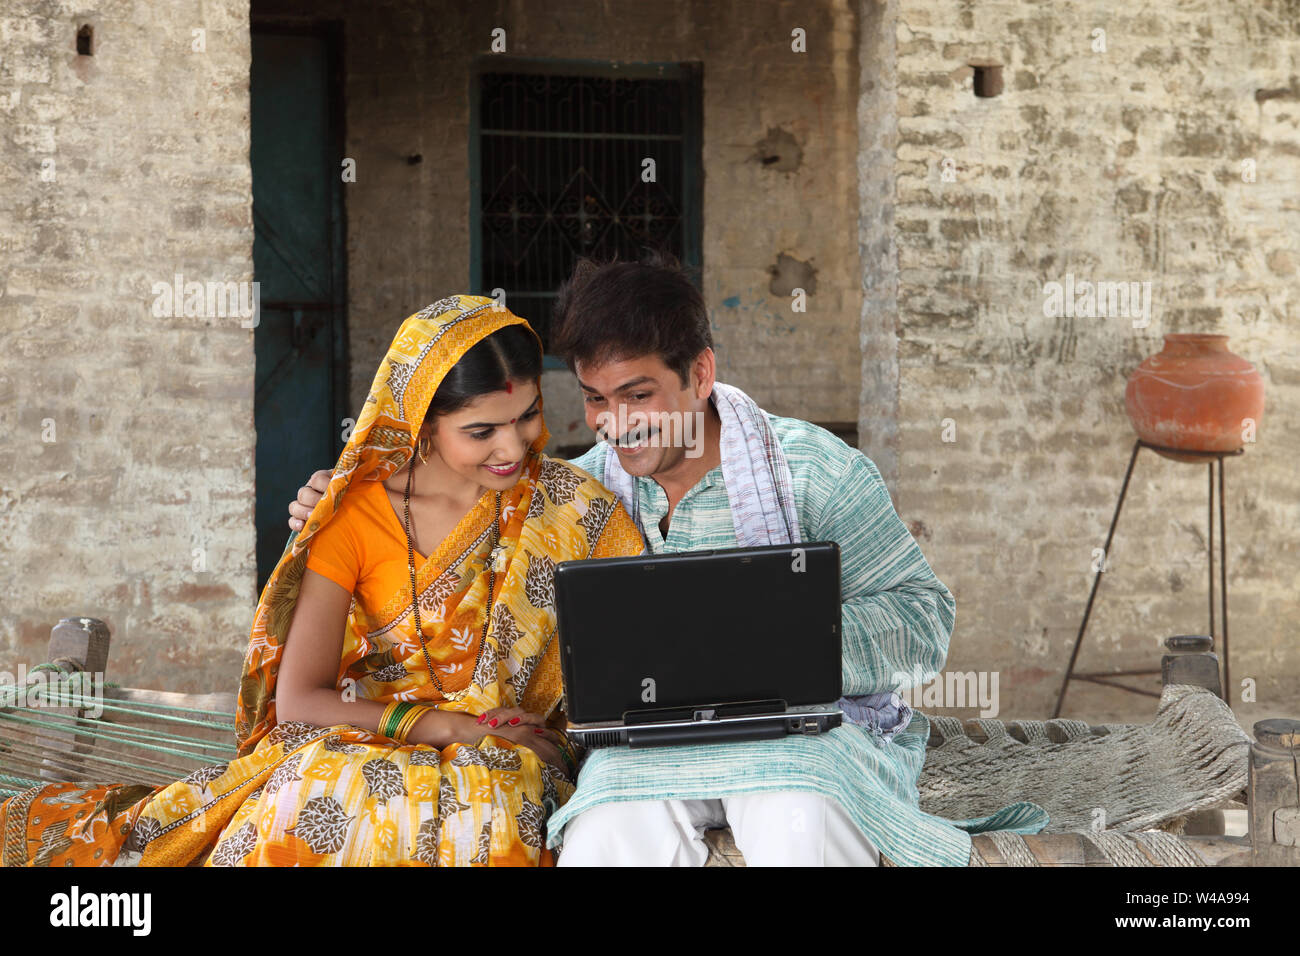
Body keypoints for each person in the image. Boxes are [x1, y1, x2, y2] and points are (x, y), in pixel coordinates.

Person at [288, 255, 1051, 867]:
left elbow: (924, 617)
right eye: (592, 398)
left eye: (638, 393)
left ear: (702, 374)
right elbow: (441, 505)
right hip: (646, 749)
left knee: (799, 823)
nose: (613, 423)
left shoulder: (815, 473)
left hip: (804, 739)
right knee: (603, 838)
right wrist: (337, 496)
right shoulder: (577, 500)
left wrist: (786, 647)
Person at [0, 295, 643, 866]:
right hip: (368, 740)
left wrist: (520, 735)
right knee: (318, 797)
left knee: (491, 809)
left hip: (511, 755)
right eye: (481, 431)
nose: (513, 446)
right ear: (421, 423)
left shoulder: (573, 510)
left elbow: (625, 672)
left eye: (528, 416)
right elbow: (300, 700)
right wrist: (441, 727)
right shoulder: (351, 516)